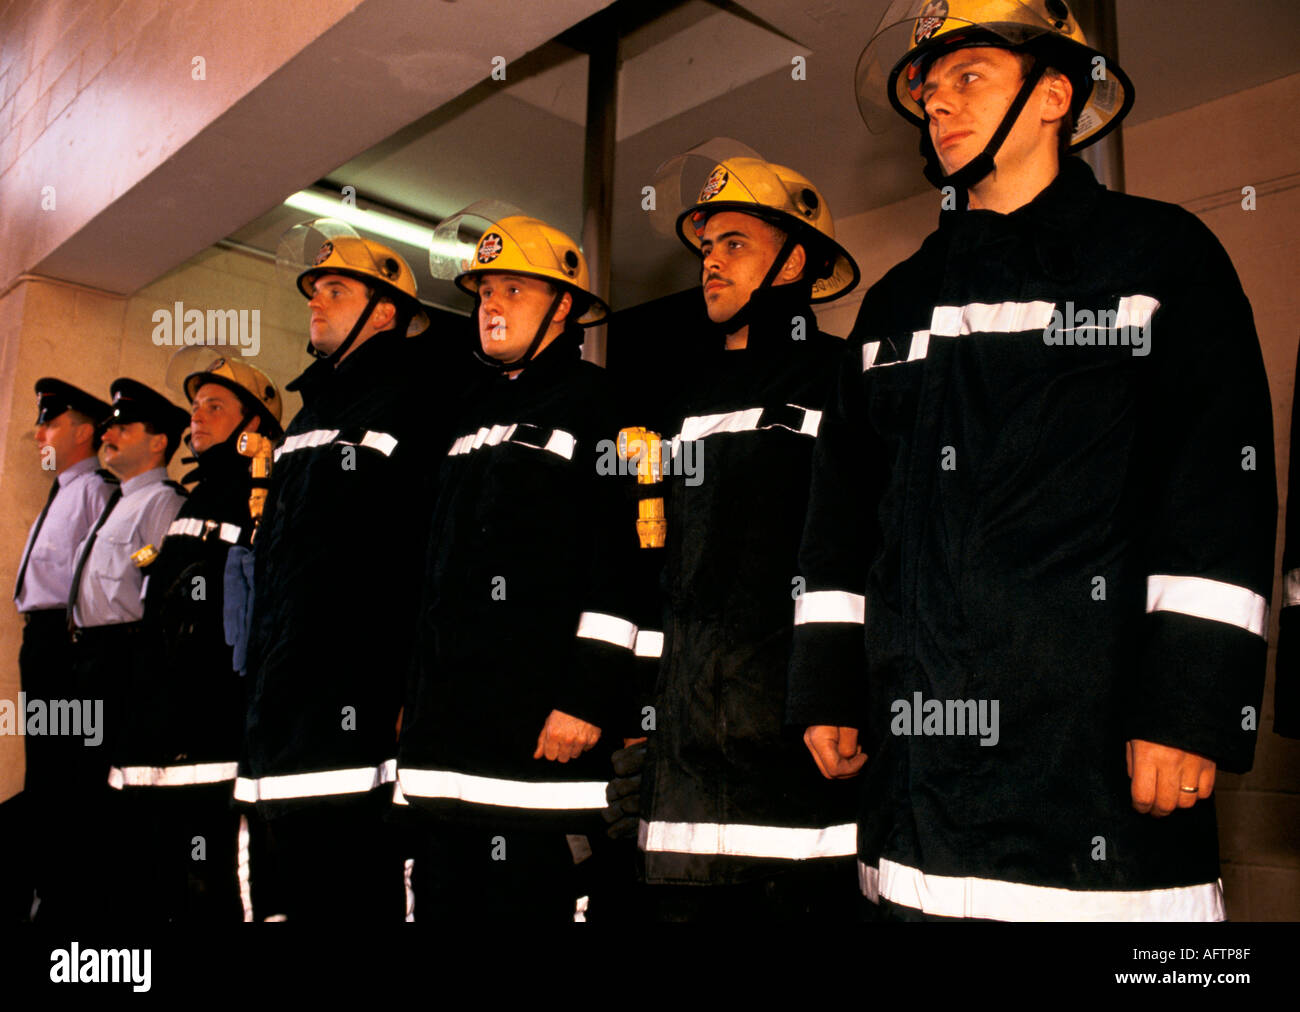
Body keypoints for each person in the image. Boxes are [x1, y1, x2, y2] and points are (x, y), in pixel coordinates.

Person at [790, 0, 1276, 921]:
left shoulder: (1161, 255)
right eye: (928, 91)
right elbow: (842, 515)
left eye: (968, 78)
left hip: (1095, 791)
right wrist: (827, 685)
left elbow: (1220, 490)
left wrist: (1188, 706)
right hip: (914, 811)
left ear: (1055, 94)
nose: (938, 105)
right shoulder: (896, 302)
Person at [622, 144, 864, 921]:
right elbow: (654, 571)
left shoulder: (843, 378)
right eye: (706, 246)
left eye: (735, 244)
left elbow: (870, 549)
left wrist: (846, 691)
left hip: (802, 757)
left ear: (793, 264)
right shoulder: (676, 397)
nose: (710, 264)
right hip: (685, 767)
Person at [396, 204, 637, 921]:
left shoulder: (601, 407)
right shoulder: (464, 418)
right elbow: (434, 572)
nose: (491, 306)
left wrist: (587, 697)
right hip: (445, 753)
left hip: (540, 751)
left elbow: (622, 562)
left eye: (513, 290)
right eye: (484, 292)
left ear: (563, 307)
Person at [236, 223, 441, 922]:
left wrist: (410, 687)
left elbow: (424, 555)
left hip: (359, 709)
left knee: (355, 898)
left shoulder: (418, 402)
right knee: (288, 900)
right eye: (313, 291)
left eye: (335, 289)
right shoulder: (307, 415)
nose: (315, 303)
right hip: (282, 707)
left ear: (385, 310)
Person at [110, 354, 282, 922]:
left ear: (253, 424)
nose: (197, 418)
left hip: (217, 733)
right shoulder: (197, 497)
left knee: (215, 878)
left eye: (215, 407)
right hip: (163, 726)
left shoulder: (266, 499)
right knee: (161, 876)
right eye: (195, 408)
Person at [66, 377, 190, 920]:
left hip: (122, 657)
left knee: (108, 793)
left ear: (159, 441)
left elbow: (158, 589)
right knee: (78, 788)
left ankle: (111, 912)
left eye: (124, 426)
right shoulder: (116, 501)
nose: (109, 433)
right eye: (110, 425)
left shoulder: (162, 501)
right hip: (88, 655)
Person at [10, 379, 114, 923]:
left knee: (65, 773)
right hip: (41, 642)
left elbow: (92, 582)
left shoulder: (95, 490)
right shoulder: (66, 490)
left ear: (83, 431)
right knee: (44, 771)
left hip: (64, 645)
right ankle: (44, 887)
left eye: (49, 424)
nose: (39, 434)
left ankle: (65, 899)